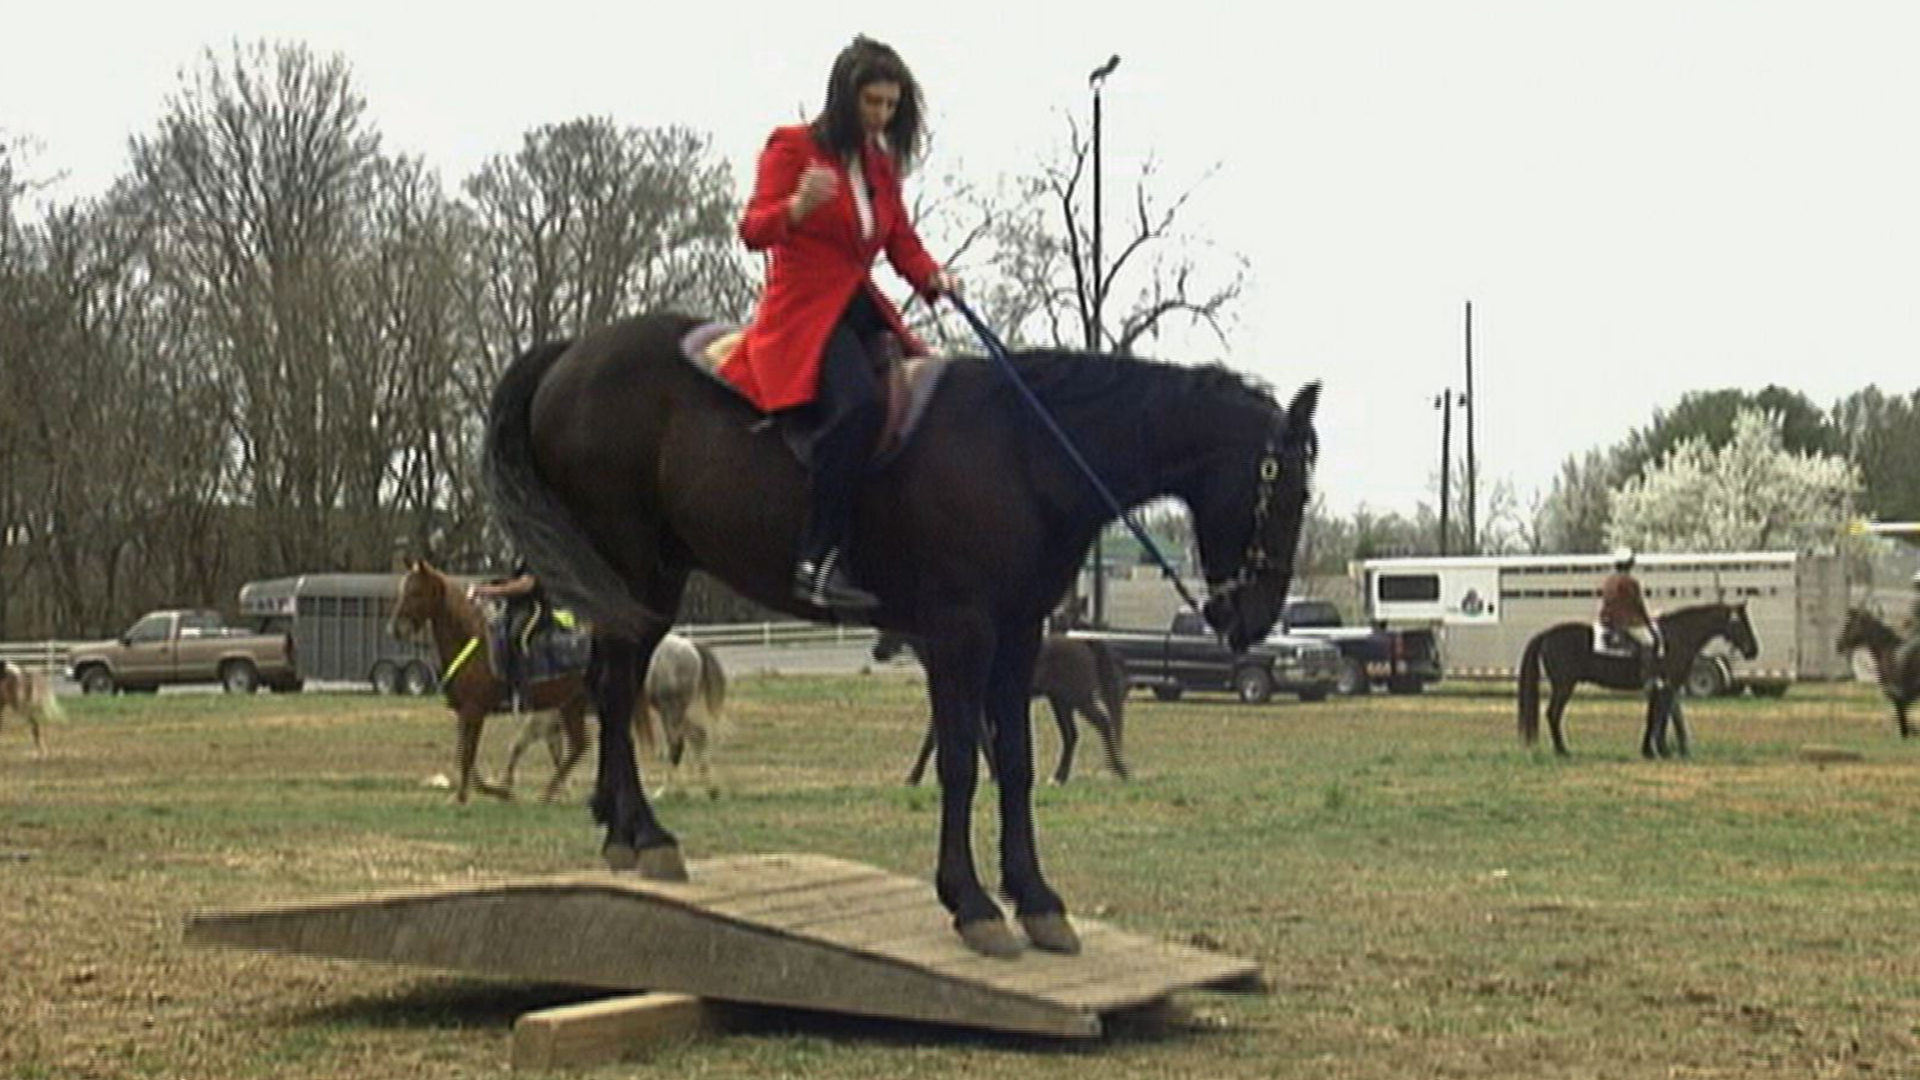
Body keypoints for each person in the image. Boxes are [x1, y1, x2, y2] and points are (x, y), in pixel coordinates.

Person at [720, 35, 961, 614]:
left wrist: (934, 278)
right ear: (846, 96)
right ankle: (815, 558)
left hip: (858, 305)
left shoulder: (880, 164)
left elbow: (900, 240)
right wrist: (797, 209)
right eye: (873, 103)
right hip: (803, 311)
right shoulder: (792, 146)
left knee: (925, 404)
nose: (881, 116)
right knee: (858, 406)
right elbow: (753, 229)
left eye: (890, 106)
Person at [470, 558, 549, 709]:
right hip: (512, 609)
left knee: (517, 637)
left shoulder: (534, 558)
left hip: (532, 607)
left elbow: (526, 585)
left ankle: (527, 690)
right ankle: (504, 689)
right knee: (495, 636)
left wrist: (487, 590)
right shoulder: (515, 560)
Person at [1598, 547, 1662, 686]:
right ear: (1630, 564)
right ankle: (1647, 678)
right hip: (1627, 622)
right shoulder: (1631, 582)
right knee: (1650, 642)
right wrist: (1649, 620)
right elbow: (1638, 604)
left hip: (1607, 621)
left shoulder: (1609, 581)